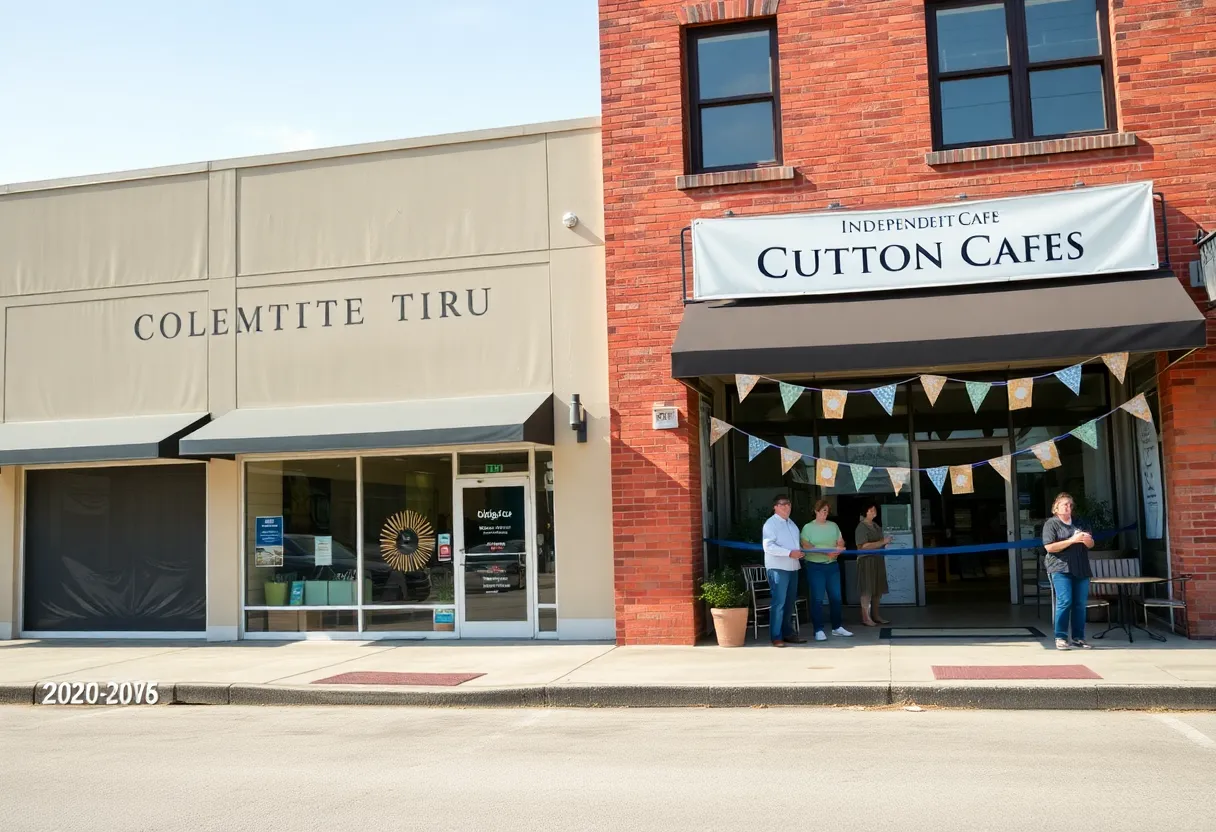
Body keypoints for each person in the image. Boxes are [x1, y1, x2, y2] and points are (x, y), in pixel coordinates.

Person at [1042, 492, 1095, 650]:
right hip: (1060, 567)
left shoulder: (1079, 522)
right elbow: (1049, 547)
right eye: (1065, 504)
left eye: (1070, 505)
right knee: (1065, 601)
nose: (1068, 507)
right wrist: (1071, 540)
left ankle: (1079, 637)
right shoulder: (1051, 524)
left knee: (1080, 604)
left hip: (1081, 567)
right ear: (1056, 508)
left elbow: (1091, 544)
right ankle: (1061, 637)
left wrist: (1086, 540)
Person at [800, 499, 854, 642]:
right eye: (823, 510)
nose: (825, 513)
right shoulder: (807, 528)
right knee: (817, 598)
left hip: (832, 565)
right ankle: (818, 629)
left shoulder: (833, 526)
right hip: (815, 566)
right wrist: (826, 553)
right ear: (816, 511)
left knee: (836, 597)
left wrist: (839, 548)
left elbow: (840, 541)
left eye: (827, 511)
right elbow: (806, 545)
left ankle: (837, 627)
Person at [761, 494, 807, 647]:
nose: (787, 507)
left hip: (793, 567)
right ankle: (776, 636)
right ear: (775, 507)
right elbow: (768, 546)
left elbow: (794, 545)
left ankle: (788, 633)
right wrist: (789, 553)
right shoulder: (770, 524)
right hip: (778, 567)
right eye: (782, 504)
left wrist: (799, 552)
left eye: (788, 504)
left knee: (789, 603)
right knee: (779, 603)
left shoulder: (791, 524)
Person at [854, 501, 893, 627]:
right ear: (865, 512)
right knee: (867, 589)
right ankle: (866, 617)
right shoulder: (861, 527)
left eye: (874, 510)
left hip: (878, 560)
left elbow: (880, 542)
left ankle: (876, 616)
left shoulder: (876, 526)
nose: (873, 512)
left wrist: (884, 543)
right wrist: (882, 542)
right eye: (870, 510)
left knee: (877, 589)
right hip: (866, 561)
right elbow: (863, 546)